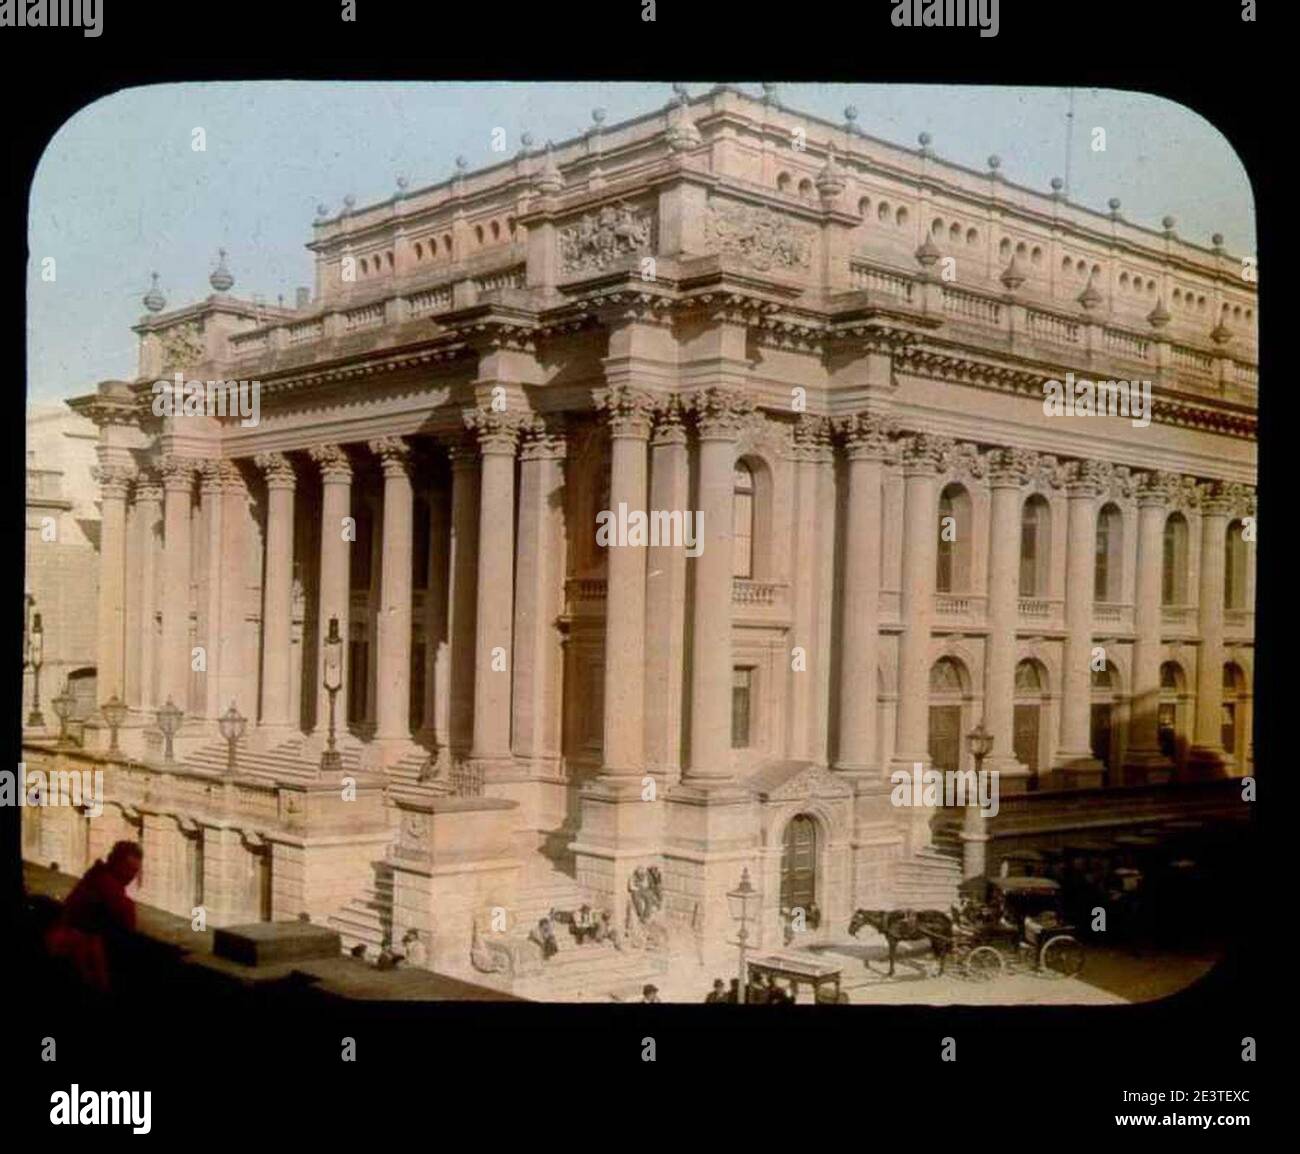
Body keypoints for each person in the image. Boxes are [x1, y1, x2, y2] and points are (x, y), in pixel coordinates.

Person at [45, 840, 142, 993]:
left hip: (67, 941)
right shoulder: (107, 885)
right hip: (75, 948)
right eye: (128, 869)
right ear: (115, 863)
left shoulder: (97, 874)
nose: (131, 876)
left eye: (135, 871)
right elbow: (128, 921)